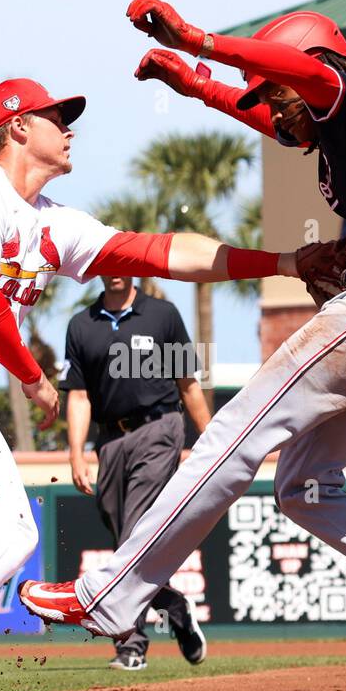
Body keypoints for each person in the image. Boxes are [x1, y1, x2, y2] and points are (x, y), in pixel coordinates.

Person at [20, 0, 346, 691]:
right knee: (304, 488)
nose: (275, 111)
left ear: (314, 72)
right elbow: (275, 115)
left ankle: (111, 593)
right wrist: (197, 86)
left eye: (280, 94)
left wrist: (200, 41)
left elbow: (297, 72)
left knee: (229, 435)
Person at [0, 76, 322, 691]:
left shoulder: (54, 223)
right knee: (8, 529)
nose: (69, 129)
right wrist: (36, 379)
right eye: (55, 117)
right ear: (16, 128)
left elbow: (160, 252)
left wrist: (284, 261)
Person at [63, 275, 211, 670]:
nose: (115, 269)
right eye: (107, 262)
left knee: (132, 539)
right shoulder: (82, 325)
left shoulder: (162, 315)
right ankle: (174, 605)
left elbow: (188, 385)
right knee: (123, 541)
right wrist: (76, 453)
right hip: (110, 441)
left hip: (159, 429)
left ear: (132, 268)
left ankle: (133, 645)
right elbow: (78, 395)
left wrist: (215, 443)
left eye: (122, 262)